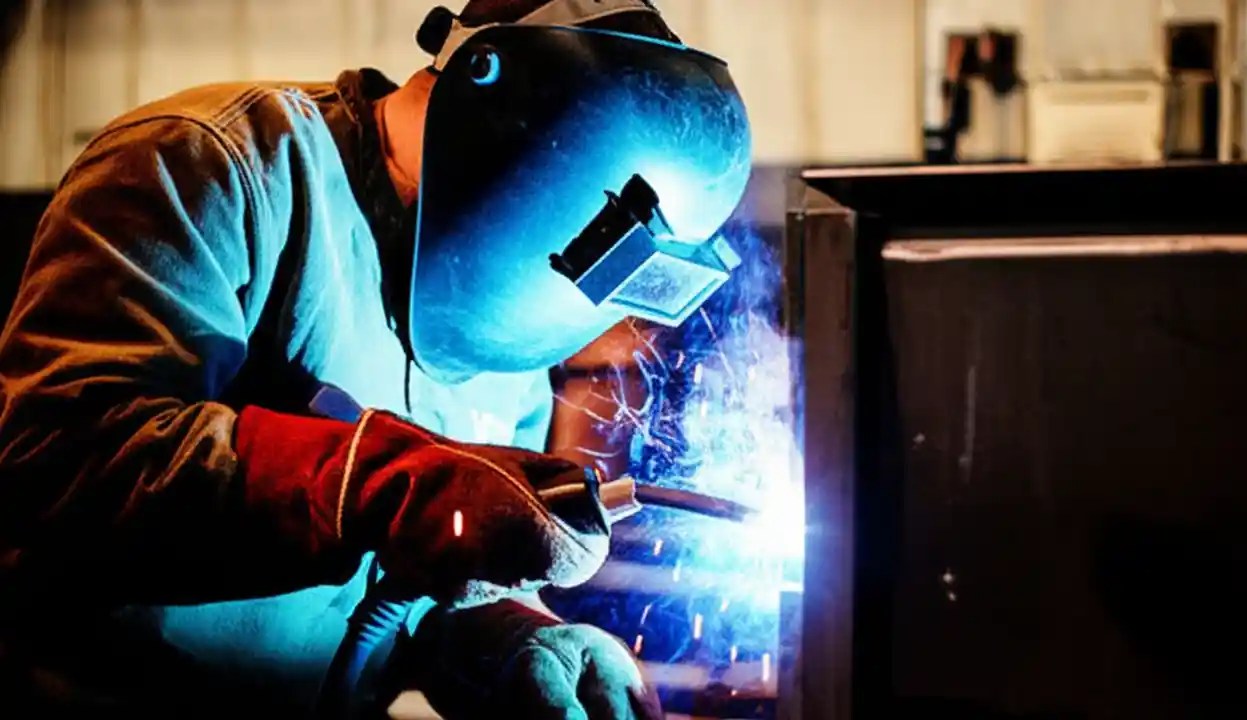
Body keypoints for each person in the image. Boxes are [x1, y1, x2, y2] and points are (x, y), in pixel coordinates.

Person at [0, 0, 752, 717]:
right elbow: (62, 458)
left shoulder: (504, 333)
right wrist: (378, 480)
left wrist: (511, 638)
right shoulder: (212, 165)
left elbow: (424, 587)